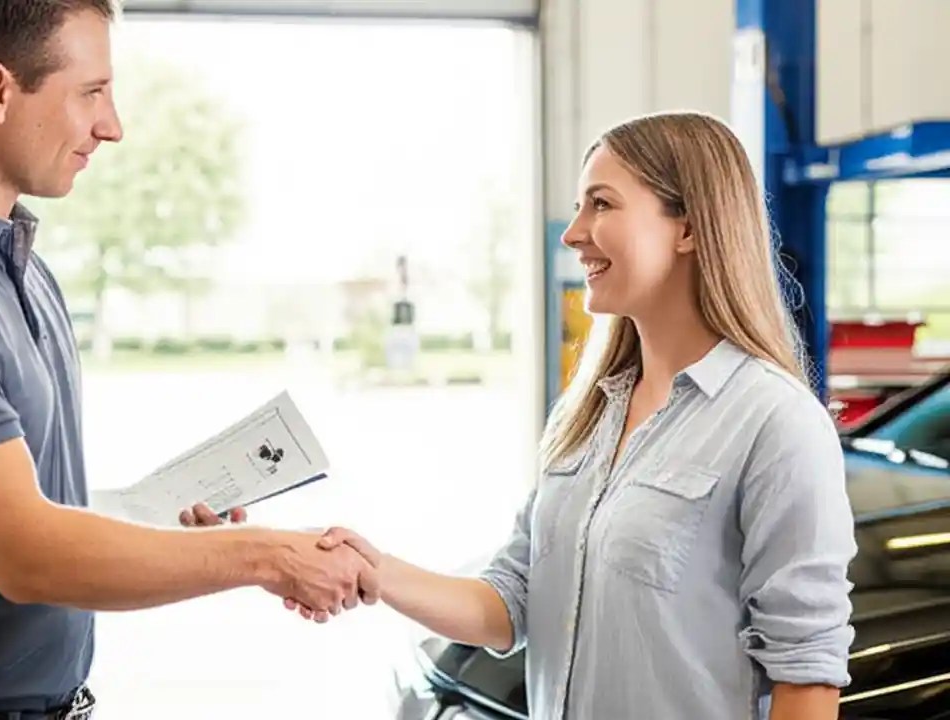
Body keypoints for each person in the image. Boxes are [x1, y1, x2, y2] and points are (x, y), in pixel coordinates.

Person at [0, 2, 376, 718]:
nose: (112, 125)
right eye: (91, 93)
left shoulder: (17, 264)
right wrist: (267, 556)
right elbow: (26, 553)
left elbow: (21, 502)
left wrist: (146, 523)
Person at [295, 111, 858, 720]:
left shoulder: (774, 423)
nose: (573, 232)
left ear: (688, 228)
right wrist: (374, 570)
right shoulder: (589, 413)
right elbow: (510, 602)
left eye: (602, 204)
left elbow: (806, 676)